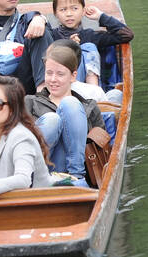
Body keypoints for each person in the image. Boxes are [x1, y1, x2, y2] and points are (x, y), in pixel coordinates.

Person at [24, 41, 109, 186]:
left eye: (60, 74)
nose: (53, 80)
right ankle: (43, 179)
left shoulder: (89, 106)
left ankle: (76, 176)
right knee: (52, 120)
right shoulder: (30, 102)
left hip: (79, 172)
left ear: (73, 76)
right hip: (40, 171)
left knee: (70, 104)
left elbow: (101, 149)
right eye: (49, 73)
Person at [46, 0, 133, 93]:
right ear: (56, 13)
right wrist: (70, 46)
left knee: (88, 46)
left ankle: (94, 92)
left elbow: (126, 35)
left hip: (88, 90)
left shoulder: (90, 36)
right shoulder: (51, 36)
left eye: (74, 8)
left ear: (83, 11)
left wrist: (101, 17)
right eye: (63, 9)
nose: (69, 14)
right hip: (62, 86)